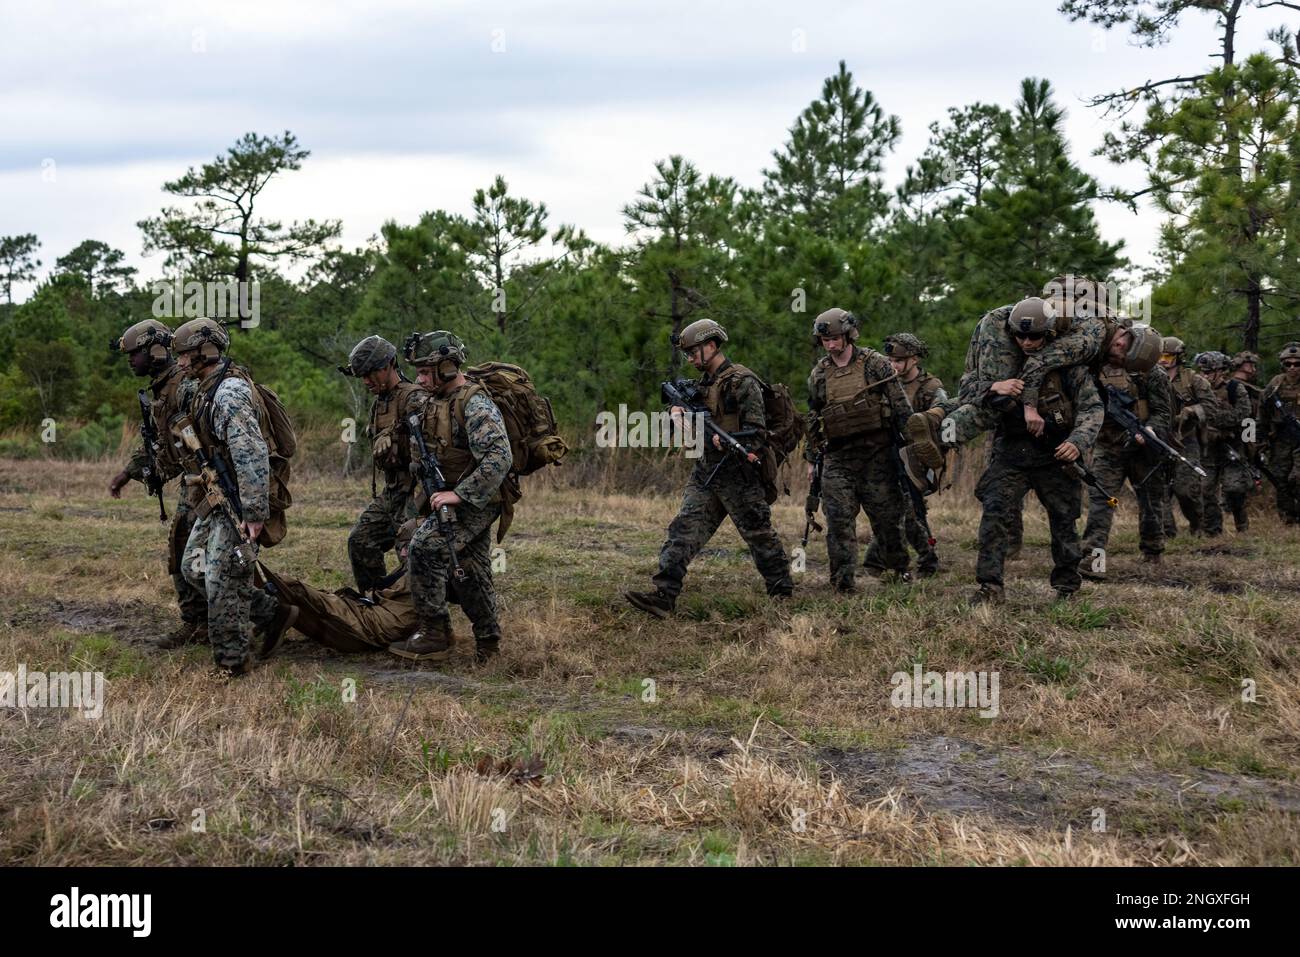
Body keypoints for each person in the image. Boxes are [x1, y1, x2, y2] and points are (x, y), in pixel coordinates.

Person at [625, 318, 793, 616]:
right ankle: (664, 595)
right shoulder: (701, 386)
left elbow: (757, 433)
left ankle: (782, 593)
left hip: (740, 473)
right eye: (687, 353)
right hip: (707, 470)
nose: (690, 359)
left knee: (758, 534)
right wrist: (676, 415)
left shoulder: (743, 381)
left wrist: (723, 441)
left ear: (712, 346)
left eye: (694, 352)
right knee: (683, 529)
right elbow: (683, 430)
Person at [168, 318, 296, 675]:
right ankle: (273, 614)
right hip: (218, 496)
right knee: (194, 567)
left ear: (203, 353)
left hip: (240, 501)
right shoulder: (204, 388)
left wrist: (254, 512)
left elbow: (251, 453)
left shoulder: (229, 393)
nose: (179, 363)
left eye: (184, 356)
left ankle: (232, 663)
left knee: (223, 579)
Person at [387, 331, 513, 663]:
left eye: (426, 371)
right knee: (471, 567)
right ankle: (488, 643)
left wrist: (459, 495)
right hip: (447, 496)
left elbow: (499, 456)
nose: (420, 378)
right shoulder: (434, 399)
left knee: (424, 546)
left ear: (446, 367)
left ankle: (435, 632)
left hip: (478, 499)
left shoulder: (474, 402)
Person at [971, 297, 1103, 605]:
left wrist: (1077, 442)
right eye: (1021, 335)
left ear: (1050, 336)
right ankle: (990, 586)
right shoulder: (1002, 363)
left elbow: (1092, 409)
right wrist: (993, 388)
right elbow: (968, 391)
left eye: (1035, 337)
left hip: (1055, 455)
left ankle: (1068, 587)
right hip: (1012, 450)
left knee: (1064, 521)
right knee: (994, 515)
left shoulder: (1072, 369)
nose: (1027, 343)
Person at [107, 318, 209, 648]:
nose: (130, 361)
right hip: (192, 480)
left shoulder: (185, 387)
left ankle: (244, 614)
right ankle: (198, 623)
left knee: (198, 554)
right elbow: (157, 442)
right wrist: (128, 473)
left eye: (134, 354)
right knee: (184, 549)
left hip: (207, 480)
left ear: (154, 351)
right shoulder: (163, 387)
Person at [339, 335, 427, 593]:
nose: (366, 381)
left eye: (370, 374)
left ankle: (418, 614)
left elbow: (430, 450)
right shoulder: (380, 403)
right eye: (362, 376)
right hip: (392, 492)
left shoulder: (415, 398)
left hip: (417, 491)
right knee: (361, 540)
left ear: (389, 365)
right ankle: (376, 601)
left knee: (410, 551)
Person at [1080, 339, 1171, 577]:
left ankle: (1153, 552)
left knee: (1150, 501)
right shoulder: (1093, 369)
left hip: (1143, 451)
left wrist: (1151, 430)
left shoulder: (1151, 372)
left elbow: (1163, 412)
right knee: (1104, 501)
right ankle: (1093, 559)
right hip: (1109, 449)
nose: (1117, 346)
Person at [862, 332, 945, 578]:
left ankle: (927, 559)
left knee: (914, 510)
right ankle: (878, 560)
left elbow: (943, 417)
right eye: (890, 361)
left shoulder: (931, 387)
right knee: (888, 508)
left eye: (899, 361)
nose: (894, 366)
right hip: (885, 454)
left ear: (915, 359)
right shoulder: (884, 384)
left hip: (914, 457)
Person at [1158, 337, 1216, 537]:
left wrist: (1192, 410)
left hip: (1186, 440)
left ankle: (1197, 524)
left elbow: (1211, 407)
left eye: (1167, 356)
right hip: (1158, 440)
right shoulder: (1148, 376)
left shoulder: (1193, 380)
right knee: (1160, 490)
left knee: (1186, 490)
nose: (1163, 360)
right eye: (1159, 356)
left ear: (1178, 357)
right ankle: (1167, 533)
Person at [1196, 351, 1255, 536]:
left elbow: (1243, 414)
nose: (1205, 376)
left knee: (1234, 489)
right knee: (1205, 490)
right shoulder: (1196, 389)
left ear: (1221, 371)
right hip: (1207, 449)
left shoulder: (1235, 389)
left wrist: (1213, 420)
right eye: (1202, 372)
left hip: (1232, 447)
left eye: (1209, 372)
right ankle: (1212, 531)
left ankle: (1242, 526)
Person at [1258, 341, 1300, 525]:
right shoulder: (1275, 385)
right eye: (1288, 364)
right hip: (1280, 439)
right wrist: (1258, 441)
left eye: (1297, 364)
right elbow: (1261, 413)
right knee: (1280, 479)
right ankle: (1287, 518)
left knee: (1297, 477)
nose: (1292, 368)